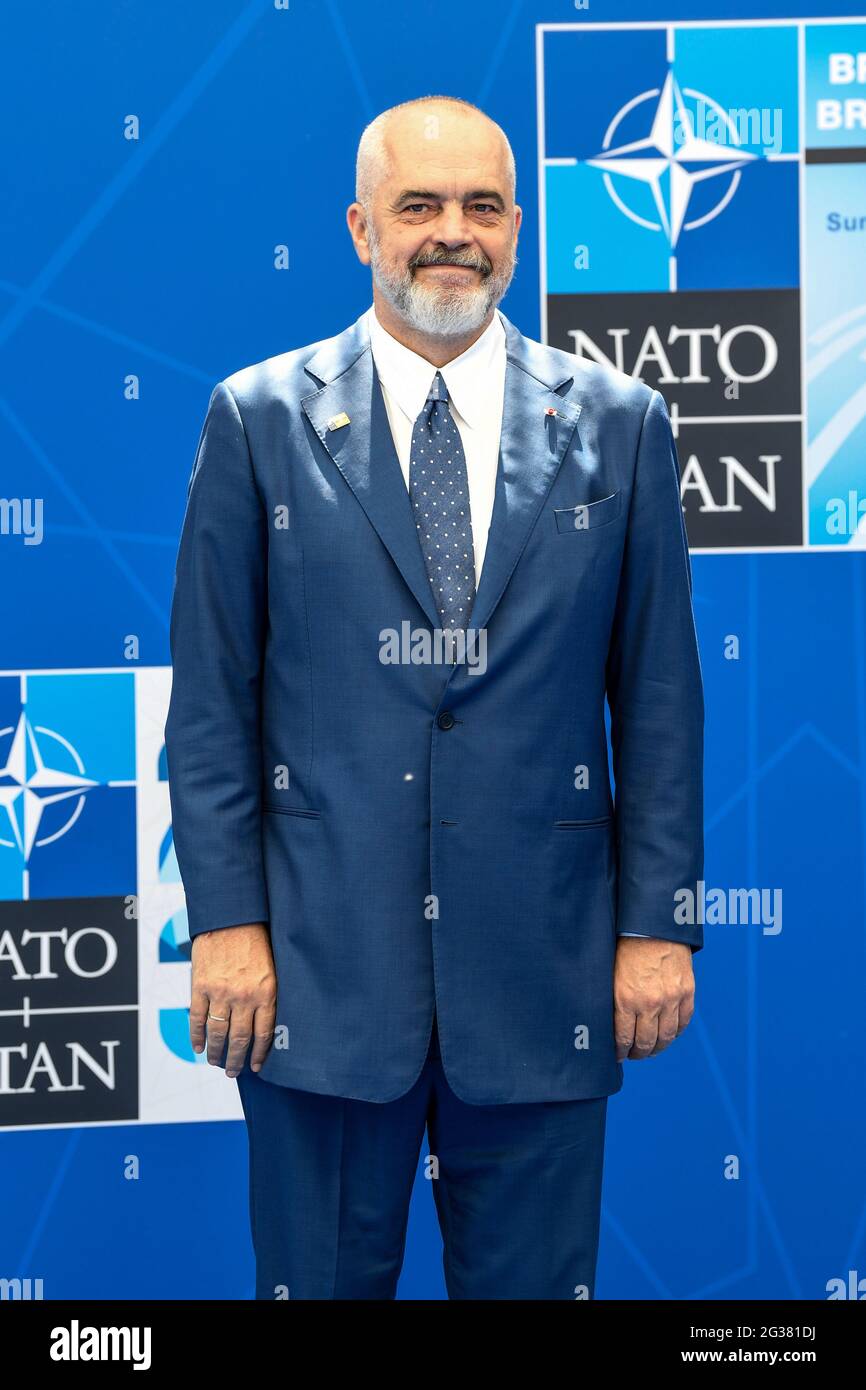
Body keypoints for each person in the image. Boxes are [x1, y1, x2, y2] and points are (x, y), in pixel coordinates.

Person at [164, 94, 704, 1301]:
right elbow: (209, 706)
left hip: (542, 982)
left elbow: (659, 699)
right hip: (315, 978)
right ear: (362, 228)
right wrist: (226, 924)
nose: (448, 232)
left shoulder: (622, 427)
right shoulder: (257, 421)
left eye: (478, 206)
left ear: (516, 229)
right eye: (418, 205)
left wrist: (654, 924)